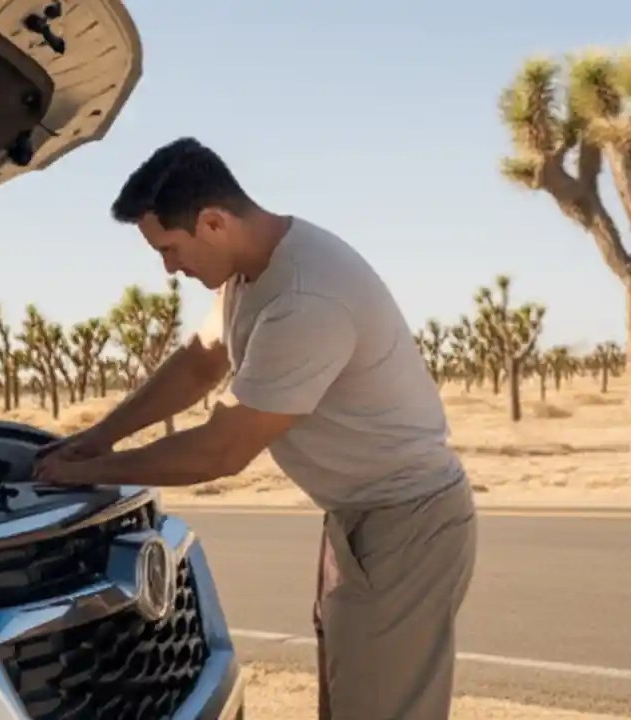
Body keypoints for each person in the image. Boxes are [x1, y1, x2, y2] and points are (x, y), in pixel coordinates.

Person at [33, 137, 477, 720]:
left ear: (213, 221)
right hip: (357, 518)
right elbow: (199, 359)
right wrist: (101, 435)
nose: (168, 268)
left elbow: (222, 450)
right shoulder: (248, 275)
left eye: (169, 248)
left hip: (404, 523)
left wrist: (91, 473)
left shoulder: (306, 295)